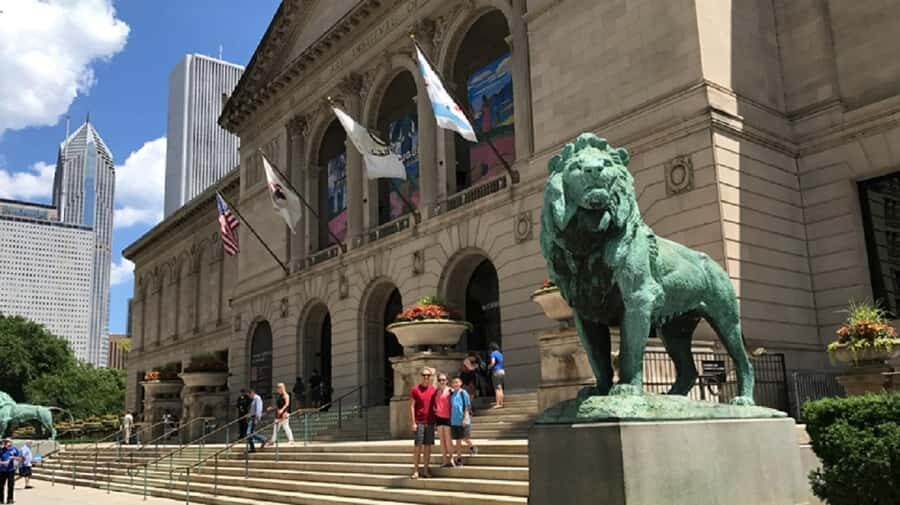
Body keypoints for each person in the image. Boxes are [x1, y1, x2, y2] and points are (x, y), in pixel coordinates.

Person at [409, 367, 436, 479]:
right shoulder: (415, 390)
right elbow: (411, 406)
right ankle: (415, 470)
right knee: (417, 447)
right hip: (419, 422)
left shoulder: (433, 390)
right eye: (424, 375)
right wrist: (413, 422)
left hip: (430, 422)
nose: (426, 377)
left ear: (430, 377)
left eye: (428, 375)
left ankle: (425, 470)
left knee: (428, 448)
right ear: (420, 377)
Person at [450, 377, 475, 465]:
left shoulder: (463, 393)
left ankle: (471, 447)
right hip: (454, 420)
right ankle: (459, 458)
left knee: (465, 438)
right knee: (457, 440)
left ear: (461, 383)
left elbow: (467, 406)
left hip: (463, 419)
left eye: (457, 382)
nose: (455, 384)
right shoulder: (452, 394)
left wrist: (465, 417)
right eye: (454, 383)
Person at [431, 372, 454, 467]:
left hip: (448, 417)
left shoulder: (451, 391)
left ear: (447, 381)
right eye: (440, 380)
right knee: (442, 440)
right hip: (439, 417)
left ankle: (451, 459)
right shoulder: (436, 392)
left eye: (443, 380)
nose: (441, 382)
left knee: (448, 439)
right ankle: (444, 460)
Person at [246, 388, 268, 453]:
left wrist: (257, 418)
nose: (249, 397)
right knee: (250, 433)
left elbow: (258, 409)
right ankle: (253, 447)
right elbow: (253, 410)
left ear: (252, 393)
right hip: (252, 417)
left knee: (249, 433)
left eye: (249, 395)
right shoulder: (253, 399)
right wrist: (248, 415)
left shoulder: (257, 398)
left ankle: (263, 439)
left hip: (254, 418)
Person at [0, 438, 20, 504]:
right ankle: (1, 499)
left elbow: (19, 458)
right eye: (5, 442)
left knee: (11, 485)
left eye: (8, 442)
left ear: (11, 442)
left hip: (11, 470)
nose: (7, 443)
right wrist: (2, 462)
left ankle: (10, 499)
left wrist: (13, 457)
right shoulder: (1, 450)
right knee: (1, 485)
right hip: (2, 470)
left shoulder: (14, 449)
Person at [488, 342, 505, 408]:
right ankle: (501, 403)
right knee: (500, 388)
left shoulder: (493, 353)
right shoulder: (500, 354)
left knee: (497, 388)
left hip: (496, 371)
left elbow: (493, 362)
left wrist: (489, 366)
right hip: (502, 371)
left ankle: (498, 404)